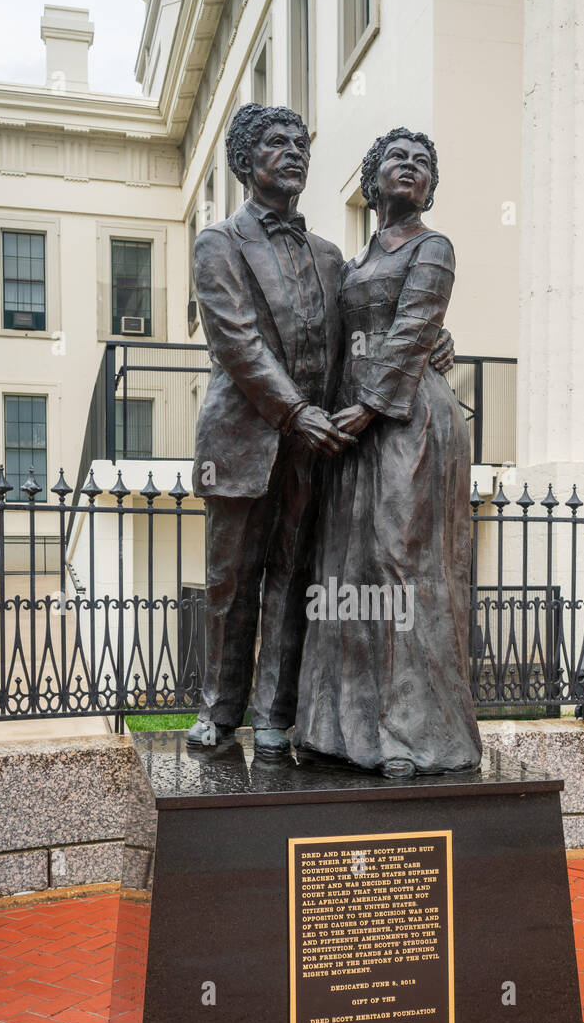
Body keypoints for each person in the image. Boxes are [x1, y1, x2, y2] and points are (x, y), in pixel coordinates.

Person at [188, 105, 453, 759]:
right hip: (248, 440)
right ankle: (220, 714)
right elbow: (238, 342)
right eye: (275, 144)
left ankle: (275, 716)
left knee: (292, 579)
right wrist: (294, 412)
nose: (292, 153)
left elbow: (374, 313)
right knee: (230, 582)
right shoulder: (218, 243)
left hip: (317, 452)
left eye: (298, 144)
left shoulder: (331, 256)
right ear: (247, 162)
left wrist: (434, 337)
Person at [293, 128, 483, 778]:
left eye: (422, 163)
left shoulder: (434, 247)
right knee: (346, 571)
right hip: (353, 429)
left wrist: (370, 405)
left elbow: (410, 330)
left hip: (407, 422)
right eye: (397, 160)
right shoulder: (352, 265)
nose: (410, 168)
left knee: (402, 566)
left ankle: (414, 735)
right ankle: (338, 730)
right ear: (371, 183)